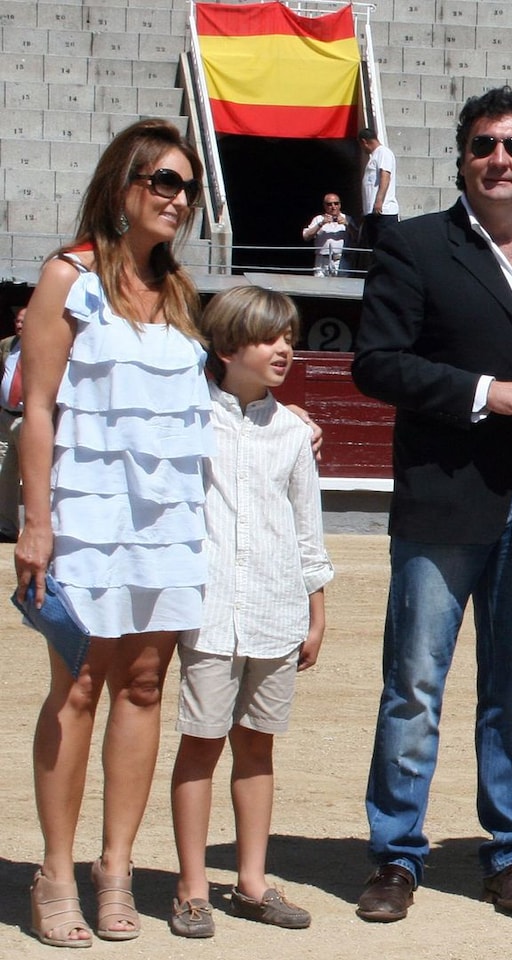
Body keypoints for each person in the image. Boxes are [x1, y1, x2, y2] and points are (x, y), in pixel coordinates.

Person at [351, 86, 512, 922]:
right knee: (414, 684)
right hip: (443, 500)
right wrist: (493, 393)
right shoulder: (414, 245)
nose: (500, 159)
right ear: (463, 157)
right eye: (485, 144)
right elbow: (376, 363)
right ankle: (395, 855)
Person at [16, 119, 212, 947]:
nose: (177, 198)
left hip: (167, 520)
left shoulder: (179, 291)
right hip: (87, 514)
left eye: (188, 187)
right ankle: (55, 876)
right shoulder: (69, 277)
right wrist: (36, 522)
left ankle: (116, 868)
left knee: (143, 685)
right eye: (162, 180)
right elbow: (36, 406)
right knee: (78, 685)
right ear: (123, 184)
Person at [169, 286, 334, 939]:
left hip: (275, 609)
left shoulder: (293, 432)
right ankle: (188, 886)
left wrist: (316, 613)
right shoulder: (189, 419)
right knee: (201, 743)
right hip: (208, 611)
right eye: (270, 338)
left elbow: (307, 532)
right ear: (227, 347)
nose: (285, 349)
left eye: (288, 337)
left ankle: (252, 881)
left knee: (258, 748)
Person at [0, 306, 26, 541]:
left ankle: (31, 528)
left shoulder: (45, 346)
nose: (19, 325)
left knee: (31, 475)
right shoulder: (8, 345)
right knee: (5, 474)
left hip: (27, 418)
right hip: (5, 417)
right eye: (17, 320)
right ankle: (7, 528)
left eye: (24, 321)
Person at [358, 127, 399, 250]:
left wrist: (379, 201)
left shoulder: (383, 152)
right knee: (374, 249)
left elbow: (385, 176)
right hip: (373, 213)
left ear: (364, 142)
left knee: (384, 248)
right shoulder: (374, 156)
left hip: (382, 212)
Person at [302, 193, 357, 276]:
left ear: (340, 204)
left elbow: (358, 237)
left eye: (336, 203)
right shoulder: (318, 219)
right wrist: (321, 224)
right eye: (329, 204)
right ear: (324, 205)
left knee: (342, 286)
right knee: (320, 286)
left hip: (341, 260)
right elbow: (306, 237)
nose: (333, 207)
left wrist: (347, 224)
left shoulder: (347, 218)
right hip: (322, 260)